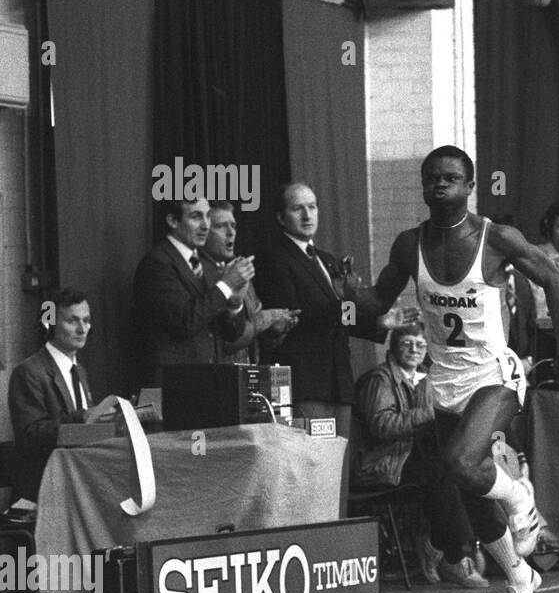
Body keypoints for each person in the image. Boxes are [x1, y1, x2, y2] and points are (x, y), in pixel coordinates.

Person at [360, 145, 559, 593]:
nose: (440, 184)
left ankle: (522, 498)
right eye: (432, 177)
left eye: (451, 177)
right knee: (468, 489)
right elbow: (375, 300)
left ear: (469, 185)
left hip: (493, 374)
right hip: (443, 383)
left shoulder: (496, 239)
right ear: (423, 186)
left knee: (461, 462)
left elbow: (553, 281)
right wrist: (340, 292)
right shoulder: (407, 245)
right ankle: (520, 577)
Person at [256, 182, 400, 441]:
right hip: (304, 383)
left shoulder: (327, 259)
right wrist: (344, 300)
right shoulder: (274, 257)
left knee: (338, 472)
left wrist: (376, 322)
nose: (307, 215)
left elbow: (340, 319)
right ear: (281, 217)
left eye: (312, 207)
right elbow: (292, 317)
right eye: (298, 208)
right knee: (313, 467)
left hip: (338, 382)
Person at [351, 324, 488, 589]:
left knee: (458, 469)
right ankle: (456, 555)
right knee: (438, 476)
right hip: (385, 462)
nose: (414, 349)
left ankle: (440, 544)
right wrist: (426, 414)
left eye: (420, 344)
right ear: (393, 347)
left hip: (416, 458)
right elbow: (382, 426)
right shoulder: (379, 380)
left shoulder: (428, 379)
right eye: (407, 343)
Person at [7, 289, 118, 505]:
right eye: (72, 321)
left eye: (86, 320)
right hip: (46, 490)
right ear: (51, 325)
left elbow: (85, 432)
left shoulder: (80, 371)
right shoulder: (29, 372)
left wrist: (113, 420)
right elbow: (30, 437)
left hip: (79, 482)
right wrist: (83, 418)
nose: (82, 329)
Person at [132, 198, 252, 390]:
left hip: (207, 384)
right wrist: (226, 285)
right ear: (173, 221)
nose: (206, 225)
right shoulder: (157, 263)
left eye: (208, 216)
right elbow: (184, 321)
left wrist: (235, 303)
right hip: (172, 386)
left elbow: (231, 334)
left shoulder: (208, 266)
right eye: (196, 217)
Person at [201, 199, 298, 364]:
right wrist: (262, 321)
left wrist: (274, 331)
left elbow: (258, 342)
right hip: (216, 379)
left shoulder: (240, 268)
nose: (231, 232)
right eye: (220, 226)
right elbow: (219, 342)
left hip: (248, 378)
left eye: (233, 225)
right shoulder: (198, 274)